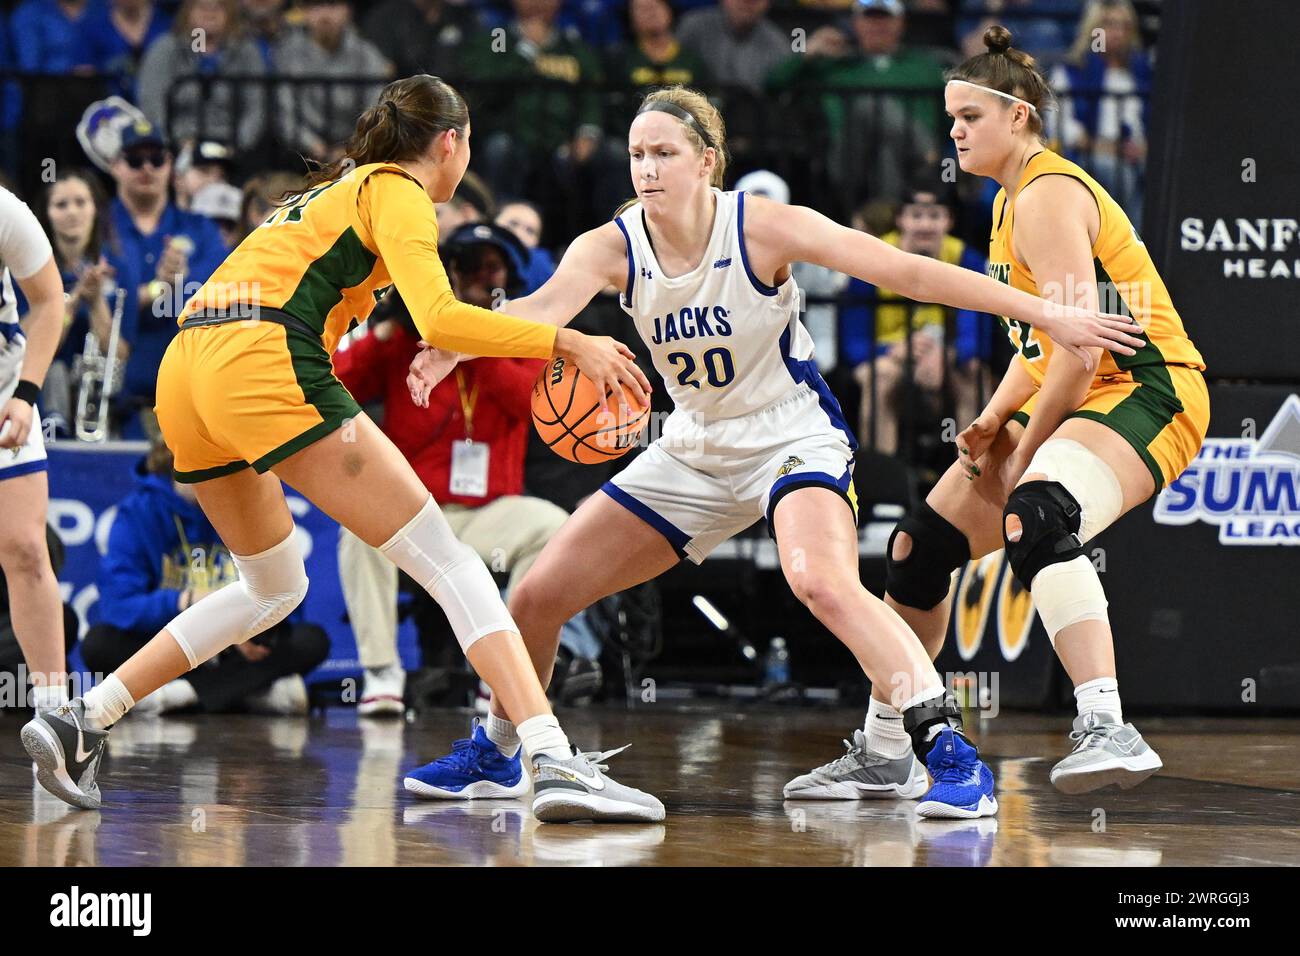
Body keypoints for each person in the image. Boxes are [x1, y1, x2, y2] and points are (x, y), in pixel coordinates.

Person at [405, 84, 1145, 819]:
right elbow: (537, 314)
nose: (646, 168)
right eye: (636, 154)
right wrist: (455, 347)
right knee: (537, 595)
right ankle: (501, 750)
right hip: (692, 445)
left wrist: (1047, 311)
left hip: (791, 437)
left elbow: (907, 273)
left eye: (664, 152)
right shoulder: (609, 245)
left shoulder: (761, 227)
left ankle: (946, 748)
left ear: (707, 162)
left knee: (819, 580)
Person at [22, 75, 661, 826]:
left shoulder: (340, 192)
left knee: (272, 587)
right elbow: (444, 314)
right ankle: (552, 756)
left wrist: (438, 347)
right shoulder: (398, 189)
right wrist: (568, 338)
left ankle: (83, 719)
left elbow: (422, 321)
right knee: (448, 559)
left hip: (189, 371)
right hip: (264, 358)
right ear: (450, 142)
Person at [879, 27, 1206, 795]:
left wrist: (1030, 447)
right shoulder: (1006, 204)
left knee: (1038, 507)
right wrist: (995, 419)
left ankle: (1106, 723)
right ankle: (886, 746)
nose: (954, 132)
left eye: (969, 117)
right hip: (1083, 389)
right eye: (951, 118)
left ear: (1019, 114)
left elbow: (1084, 351)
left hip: (1147, 389)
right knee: (916, 551)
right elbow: (1040, 348)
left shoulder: (1050, 194)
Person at [335, 224, 597, 716]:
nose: (480, 276)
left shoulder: (523, 337)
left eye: (491, 267)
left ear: (509, 276)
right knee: (357, 530)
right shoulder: (406, 337)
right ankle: (382, 675)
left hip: (487, 514)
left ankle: (500, 680)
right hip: (413, 512)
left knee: (551, 528)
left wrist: (471, 341)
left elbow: (532, 406)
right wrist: (387, 329)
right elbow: (340, 381)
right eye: (469, 265)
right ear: (449, 272)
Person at [81, 435, 330, 716]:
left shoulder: (250, 505)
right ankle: (247, 694)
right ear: (179, 459)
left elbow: (287, 602)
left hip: (237, 645)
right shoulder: (140, 510)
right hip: (167, 642)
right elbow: (118, 606)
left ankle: (178, 696)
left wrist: (244, 628)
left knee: (311, 639)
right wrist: (187, 601)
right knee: (99, 643)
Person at [104, 120, 227, 439]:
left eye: (156, 159)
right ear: (115, 166)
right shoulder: (99, 227)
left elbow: (221, 296)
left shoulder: (201, 228)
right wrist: (162, 288)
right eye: (134, 160)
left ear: (170, 165)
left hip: (193, 404)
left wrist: (173, 284)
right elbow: (93, 296)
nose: (147, 168)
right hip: (115, 403)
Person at [0, 184, 71, 718]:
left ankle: (54, 715)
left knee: (25, 546)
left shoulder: (5, 210)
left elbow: (49, 300)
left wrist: (27, 394)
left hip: (4, 392)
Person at [26, 168, 117, 438]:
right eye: (61, 205)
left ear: (95, 209)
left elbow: (118, 355)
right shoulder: (28, 271)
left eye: (81, 202)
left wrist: (96, 299)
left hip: (103, 403)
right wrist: (72, 301)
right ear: (46, 214)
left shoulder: (118, 266)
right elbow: (26, 348)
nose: (72, 212)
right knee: (54, 371)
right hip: (41, 404)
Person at [1050, 0, 1150, 227]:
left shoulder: (1143, 73)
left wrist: (1145, 148)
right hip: (1088, 155)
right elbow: (1065, 131)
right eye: (1109, 25)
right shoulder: (1071, 72)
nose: (1118, 33)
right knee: (1117, 171)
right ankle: (1130, 244)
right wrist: (1107, 147)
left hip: (1136, 153)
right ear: (1092, 29)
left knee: (1158, 171)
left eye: (1125, 26)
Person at [137, 0, 267, 152]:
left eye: (217, 7)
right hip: (179, 142)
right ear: (188, 11)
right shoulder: (166, 49)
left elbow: (256, 107)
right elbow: (152, 103)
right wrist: (170, 145)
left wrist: (237, 146)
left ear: (230, 13)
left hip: (233, 146)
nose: (209, 13)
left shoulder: (246, 51)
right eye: (202, 6)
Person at [273, 0, 392, 161]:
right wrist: (314, 146)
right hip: (300, 156)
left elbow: (376, 110)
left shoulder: (367, 55)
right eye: (316, 5)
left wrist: (352, 146)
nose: (325, 15)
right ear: (304, 12)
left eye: (333, 4)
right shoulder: (287, 55)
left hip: (358, 152)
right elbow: (286, 114)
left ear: (348, 11)